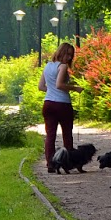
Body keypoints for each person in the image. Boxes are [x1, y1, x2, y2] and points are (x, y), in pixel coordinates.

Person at [40, 42, 76, 173]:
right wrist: (74, 88)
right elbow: (60, 85)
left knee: (50, 136)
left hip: (48, 103)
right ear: (61, 53)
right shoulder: (63, 66)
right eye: (67, 54)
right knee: (67, 135)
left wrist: (52, 91)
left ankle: (50, 164)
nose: (69, 58)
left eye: (71, 56)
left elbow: (41, 87)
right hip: (62, 104)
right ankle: (68, 163)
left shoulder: (48, 66)